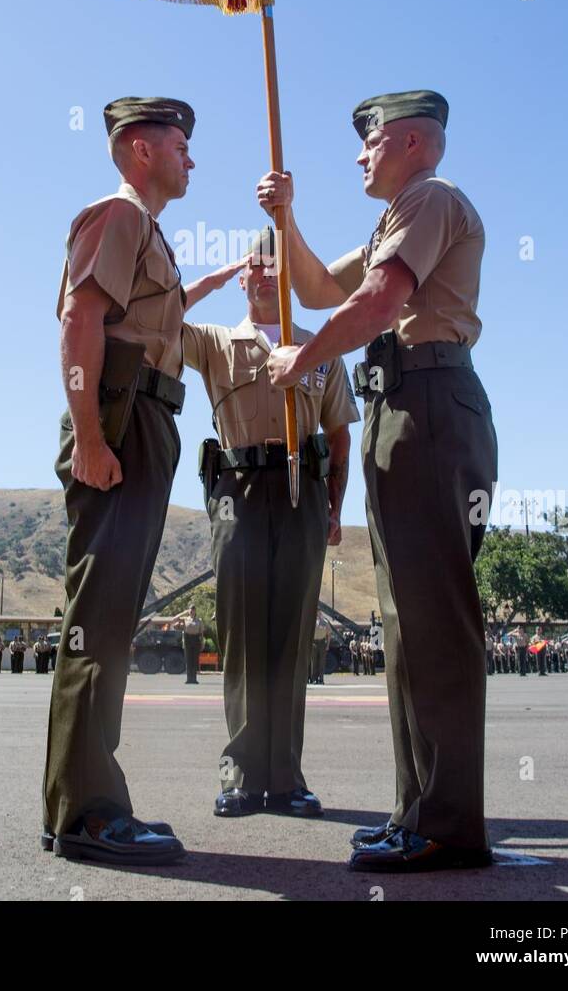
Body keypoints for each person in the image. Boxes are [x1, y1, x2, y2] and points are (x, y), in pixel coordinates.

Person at [259, 88, 497, 873]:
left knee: (431, 618)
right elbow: (317, 291)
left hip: (427, 401)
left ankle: (447, 823)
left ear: (410, 142)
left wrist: (306, 357)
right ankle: (419, 813)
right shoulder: (401, 214)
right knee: (407, 620)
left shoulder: (430, 198)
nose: (359, 157)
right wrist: (285, 220)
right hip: (405, 402)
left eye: (369, 143)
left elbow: (378, 300)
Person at [41, 97, 195, 868]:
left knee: (109, 619)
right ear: (140, 148)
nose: (190, 159)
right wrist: (93, 437)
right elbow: (79, 323)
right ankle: (88, 814)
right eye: (180, 145)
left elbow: (148, 320)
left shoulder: (145, 228)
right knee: (97, 621)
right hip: (122, 420)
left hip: (147, 417)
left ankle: (85, 807)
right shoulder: (119, 214)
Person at [182, 234, 357, 818]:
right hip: (237, 492)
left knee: (290, 637)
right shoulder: (212, 341)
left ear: (288, 278)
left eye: (273, 266)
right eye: (253, 266)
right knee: (240, 636)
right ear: (240, 277)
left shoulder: (322, 348)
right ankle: (240, 773)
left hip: (301, 491)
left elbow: (338, 436)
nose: (262, 275)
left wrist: (334, 507)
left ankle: (285, 777)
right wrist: (207, 280)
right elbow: (158, 319)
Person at [169, 606, 204, 685]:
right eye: (191, 610)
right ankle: (189, 679)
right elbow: (174, 619)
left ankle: (194, 679)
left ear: (195, 611)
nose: (192, 611)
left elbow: (201, 633)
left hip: (196, 639)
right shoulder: (185, 619)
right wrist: (184, 612)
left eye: (193, 610)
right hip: (188, 639)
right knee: (188, 659)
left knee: (194, 660)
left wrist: (202, 643)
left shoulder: (199, 620)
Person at [311, 613, 331, 686]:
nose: (318, 614)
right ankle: (314, 679)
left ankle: (321, 679)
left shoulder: (325, 623)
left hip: (322, 642)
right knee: (314, 662)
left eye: (319, 613)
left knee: (322, 662)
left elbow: (329, 635)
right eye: (316, 613)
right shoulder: (312, 622)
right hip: (314, 643)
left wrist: (328, 645)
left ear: (321, 614)